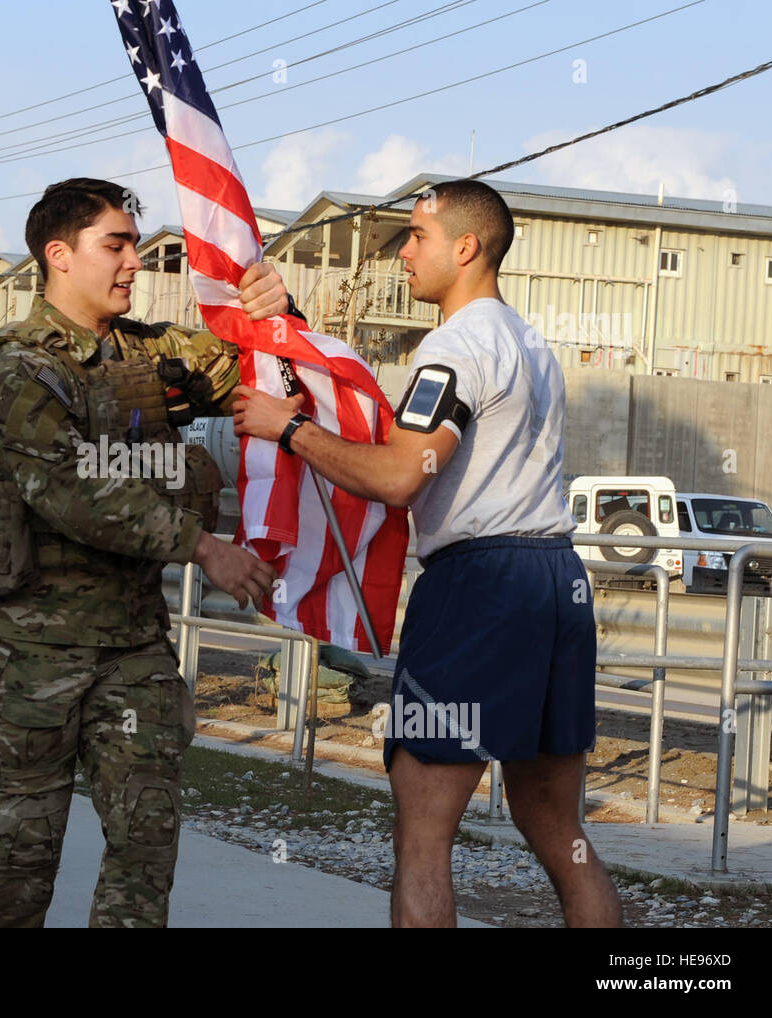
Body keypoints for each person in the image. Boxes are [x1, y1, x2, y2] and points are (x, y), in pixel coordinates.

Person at [232, 178, 623, 928]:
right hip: (555, 579)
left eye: (416, 236)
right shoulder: (530, 344)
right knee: (560, 829)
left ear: (467, 247)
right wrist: (294, 330)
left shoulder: (457, 345)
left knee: (423, 831)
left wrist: (289, 429)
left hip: (481, 586)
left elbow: (401, 475)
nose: (404, 253)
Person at [0, 177, 282, 928]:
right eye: (117, 244)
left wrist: (274, 310)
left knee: (146, 843)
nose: (135, 261)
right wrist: (202, 545)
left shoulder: (150, 356)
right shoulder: (18, 370)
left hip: (132, 651)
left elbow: (251, 367)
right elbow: (73, 490)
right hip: (29, 656)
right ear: (58, 255)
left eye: (136, 243)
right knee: (20, 856)